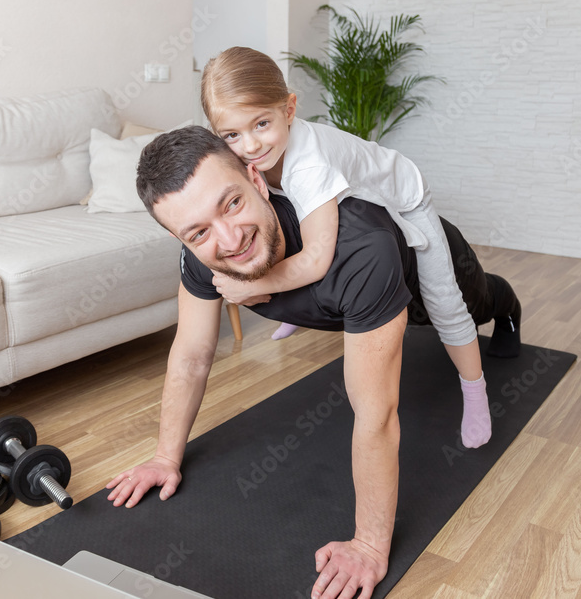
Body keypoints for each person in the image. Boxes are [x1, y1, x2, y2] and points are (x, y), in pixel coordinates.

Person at [106, 126, 522, 599]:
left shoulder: (359, 250)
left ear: (257, 180)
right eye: (198, 232)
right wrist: (165, 457)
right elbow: (192, 354)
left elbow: (377, 415)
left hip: (424, 264)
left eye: (232, 204)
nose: (230, 238)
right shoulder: (205, 257)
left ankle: (512, 311)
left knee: (482, 303)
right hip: (345, 302)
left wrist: (369, 544)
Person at [199, 47, 522, 448]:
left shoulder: (309, 166)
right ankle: (301, 311)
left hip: (404, 196)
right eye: (232, 135)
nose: (249, 146)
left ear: (289, 108)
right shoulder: (259, 154)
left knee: (443, 300)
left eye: (261, 123)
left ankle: (475, 393)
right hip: (352, 198)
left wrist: (249, 288)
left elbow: (317, 260)